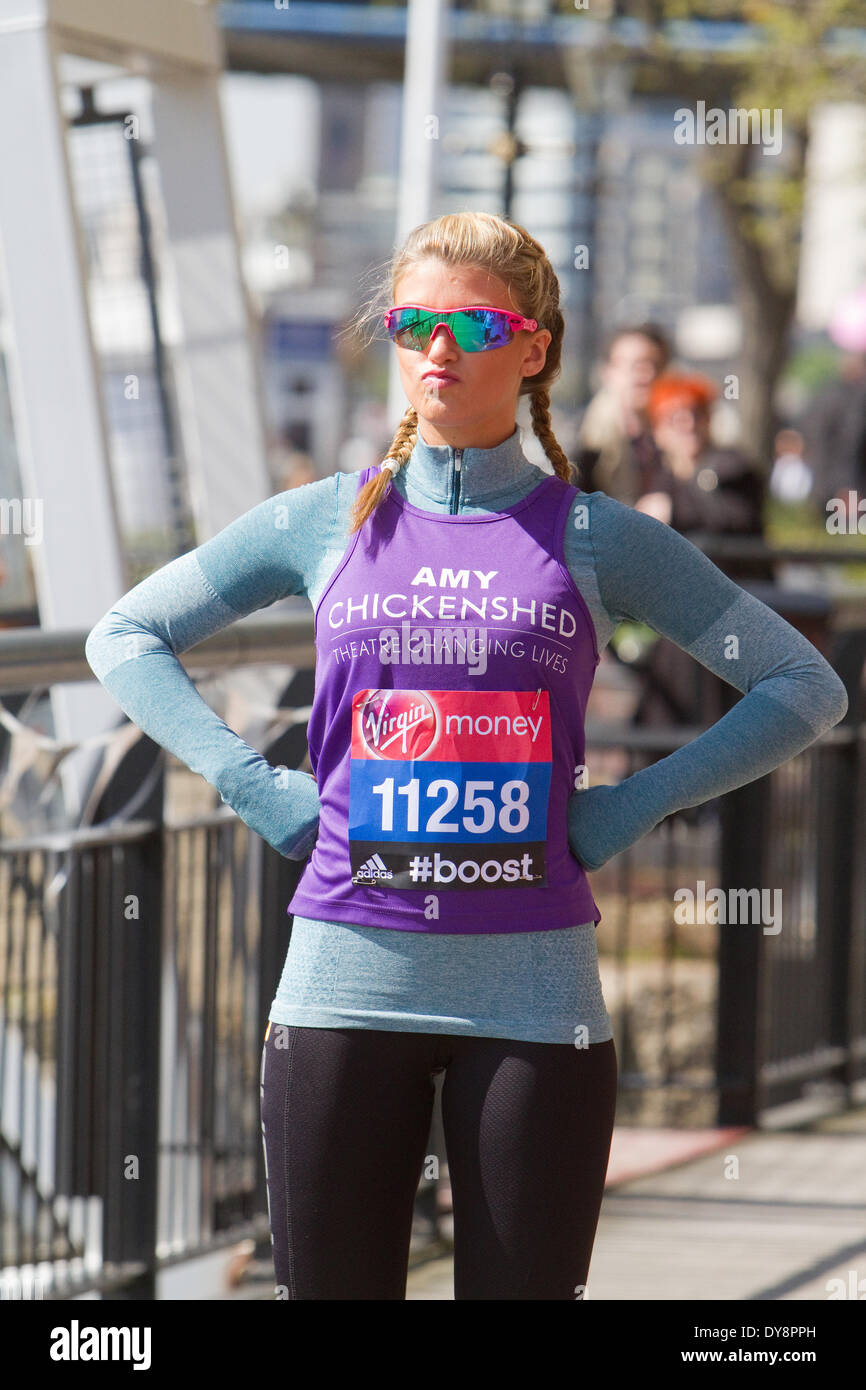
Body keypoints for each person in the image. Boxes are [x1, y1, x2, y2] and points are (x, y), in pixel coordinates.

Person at [84, 211, 849, 1300]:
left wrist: (629, 807)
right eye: (413, 323)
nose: (437, 349)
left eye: (473, 325)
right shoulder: (323, 521)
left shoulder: (595, 538)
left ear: (534, 345)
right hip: (343, 985)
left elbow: (800, 685)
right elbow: (125, 636)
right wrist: (252, 784)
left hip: (534, 1002)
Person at [575, 322, 672, 504]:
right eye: (635, 365)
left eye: (654, 365)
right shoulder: (585, 441)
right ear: (608, 372)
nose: (646, 375)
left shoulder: (686, 431)